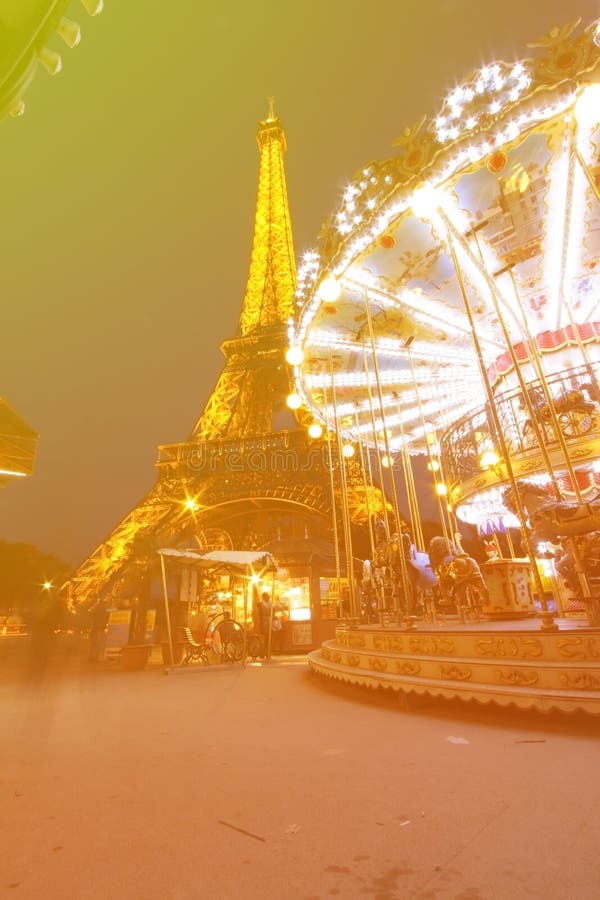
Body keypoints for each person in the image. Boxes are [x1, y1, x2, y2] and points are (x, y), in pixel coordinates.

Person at [88, 599, 110, 663]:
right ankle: (94, 658)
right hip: (99, 629)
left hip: (94, 629)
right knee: (98, 644)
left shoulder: (95, 609)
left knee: (93, 644)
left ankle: (91, 658)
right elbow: (108, 614)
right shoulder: (104, 610)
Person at [258, 591, 273, 658]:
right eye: (267, 597)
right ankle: (263, 653)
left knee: (268, 638)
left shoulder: (270, 604)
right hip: (263, 622)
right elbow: (259, 614)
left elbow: (272, 613)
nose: (268, 598)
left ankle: (267, 652)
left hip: (268, 622)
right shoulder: (260, 604)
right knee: (264, 638)